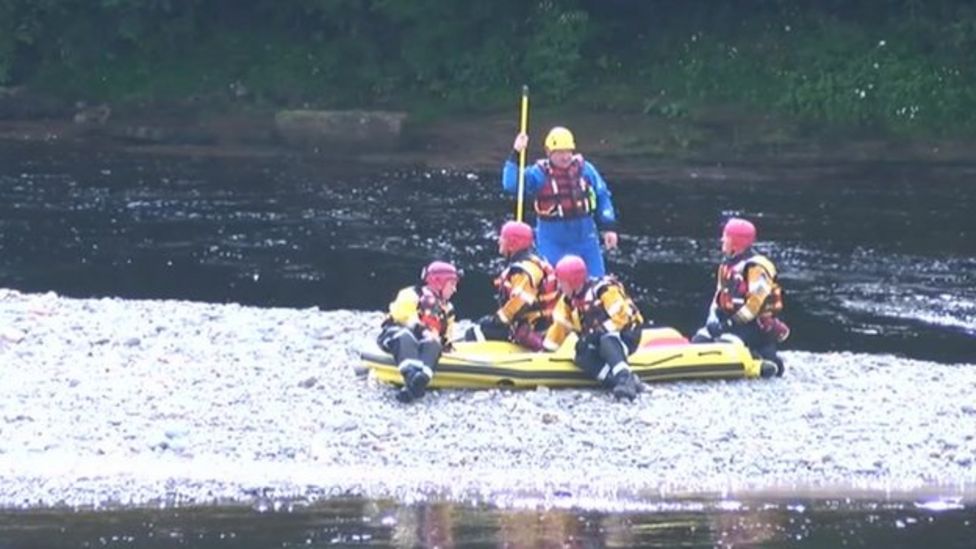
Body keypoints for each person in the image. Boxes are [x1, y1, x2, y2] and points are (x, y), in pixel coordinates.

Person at [501, 126, 619, 277]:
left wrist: (608, 227)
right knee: (554, 284)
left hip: (585, 237)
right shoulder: (538, 174)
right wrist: (516, 154)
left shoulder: (585, 170)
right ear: (549, 153)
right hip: (552, 239)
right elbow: (511, 185)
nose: (565, 157)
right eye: (560, 152)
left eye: (568, 151)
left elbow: (602, 195)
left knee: (596, 283)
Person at [691, 218, 790, 376]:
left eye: (726, 237)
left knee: (726, 347)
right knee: (699, 340)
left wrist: (728, 325)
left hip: (753, 327)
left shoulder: (756, 268)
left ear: (736, 242)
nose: (722, 240)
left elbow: (754, 306)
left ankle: (763, 359)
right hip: (727, 322)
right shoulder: (726, 265)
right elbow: (719, 296)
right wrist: (713, 320)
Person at [542, 255, 643, 401]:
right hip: (600, 337)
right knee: (581, 355)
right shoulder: (567, 301)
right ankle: (616, 380)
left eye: (562, 282)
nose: (559, 286)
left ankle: (624, 378)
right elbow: (560, 327)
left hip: (626, 334)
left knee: (606, 340)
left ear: (573, 281)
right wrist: (546, 350)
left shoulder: (604, 291)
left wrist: (598, 333)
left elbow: (623, 318)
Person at [464, 220, 558, 350]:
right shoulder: (534, 262)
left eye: (503, 238)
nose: (499, 241)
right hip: (537, 325)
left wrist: (497, 320)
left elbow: (521, 302)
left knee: (474, 332)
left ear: (513, 243)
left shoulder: (524, 270)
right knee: (483, 324)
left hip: (533, 329)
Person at [376, 261, 459, 402]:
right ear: (438, 282)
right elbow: (403, 316)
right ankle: (411, 376)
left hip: (423, 342)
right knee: (405, 336)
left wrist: (443, 344)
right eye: (452, 284)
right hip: (395, 335)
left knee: (434, 344)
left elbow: (446, 337)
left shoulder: (447, 309)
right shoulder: (411, 295)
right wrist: (424, 331)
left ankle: (418, 383)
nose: (454, 289)